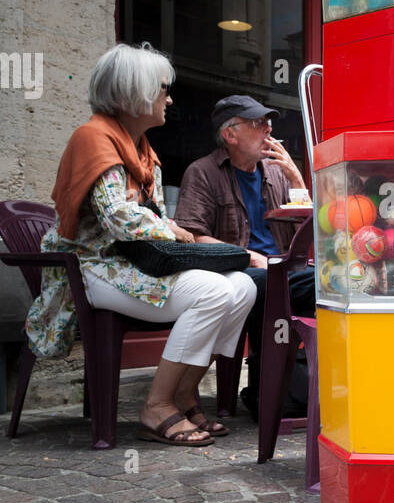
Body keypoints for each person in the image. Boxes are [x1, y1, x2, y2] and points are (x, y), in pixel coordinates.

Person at [26, 44, 256, 445]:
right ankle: (156, 406)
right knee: (215, 291)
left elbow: (146, 219)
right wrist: (165, 227)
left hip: (135, 264)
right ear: (134, 93)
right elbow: (120, 218)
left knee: (244, 285)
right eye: (162, 89)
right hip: (95, 267)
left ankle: (184, 390)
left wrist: (155, 223)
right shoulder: (93, 137)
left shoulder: (144, 151)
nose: (169, 98)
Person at [174, 96, 315, 421]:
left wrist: (294, 175)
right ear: (230, 134)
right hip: (234, 274)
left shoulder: (275, 173)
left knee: (328, 282)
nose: (268, 129)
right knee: (267, 284)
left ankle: (307, 389)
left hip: (280, 270)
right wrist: (249, 258)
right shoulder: (203, 172)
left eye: (269, 123)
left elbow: (308, 220)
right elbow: (191, 235)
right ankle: (270, 393)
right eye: (257, 123)